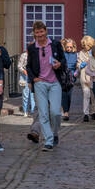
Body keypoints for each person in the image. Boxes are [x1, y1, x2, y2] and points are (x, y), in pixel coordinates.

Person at [26, 21, 68, 151]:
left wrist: (59, 64)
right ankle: (48, 140)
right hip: (40, 83)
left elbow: (63, 61)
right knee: (43, 113)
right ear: (34, 34)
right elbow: (28, 66)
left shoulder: (55, 44)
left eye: (41, 32)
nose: (40, 35)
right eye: (37, 32)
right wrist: (34, 79)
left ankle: (54, 133)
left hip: (55, 82)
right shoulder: (32, 48)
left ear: (46, 31)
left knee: (55, 112)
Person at [78, 36, 95, 122]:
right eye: (84, 45)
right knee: (86, 94)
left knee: (93, 95)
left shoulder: (94, 51)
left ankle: (94, 111)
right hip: (84, 76)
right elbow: (78, 64)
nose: (85, 47)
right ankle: (86, 113)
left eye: (87, 45)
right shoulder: (81, 53)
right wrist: (80, 65)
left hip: (93, 77)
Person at [61, 38, 78, 121]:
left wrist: (76, 72)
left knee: (69, 95)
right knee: (63, 94)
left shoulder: (75, 55)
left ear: (73, 47)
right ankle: (66, 112)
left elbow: (77, 65)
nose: (69, 49)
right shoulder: (62, 54)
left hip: (71, 76)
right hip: (63, 75)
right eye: (67, 47)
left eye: (71, 47)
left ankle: (67, 110)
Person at [18, 47, 34, 118]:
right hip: (25, 76)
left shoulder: (35, 55)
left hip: (33, 75)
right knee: (25, 94)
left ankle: (33, 111)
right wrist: (24, 71)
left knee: (33, 95)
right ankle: (25, 111)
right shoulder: (24, 55)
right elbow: (19, 66)